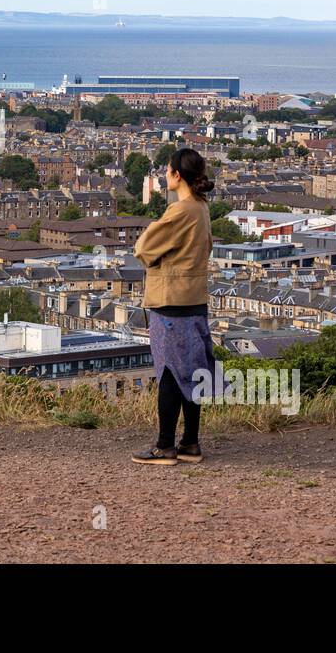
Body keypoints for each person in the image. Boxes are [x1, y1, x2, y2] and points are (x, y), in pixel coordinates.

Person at [131, 147, 220, 465]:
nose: (164, 175)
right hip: (194, 297)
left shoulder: (181, 210)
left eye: (167, 170)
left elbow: (143, 248)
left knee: (169, 373)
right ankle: (190, 443)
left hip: (171, 299)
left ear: (177, 175)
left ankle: (165, 446)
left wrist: (154, 240)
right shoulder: (201, 206)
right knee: (192, 372)